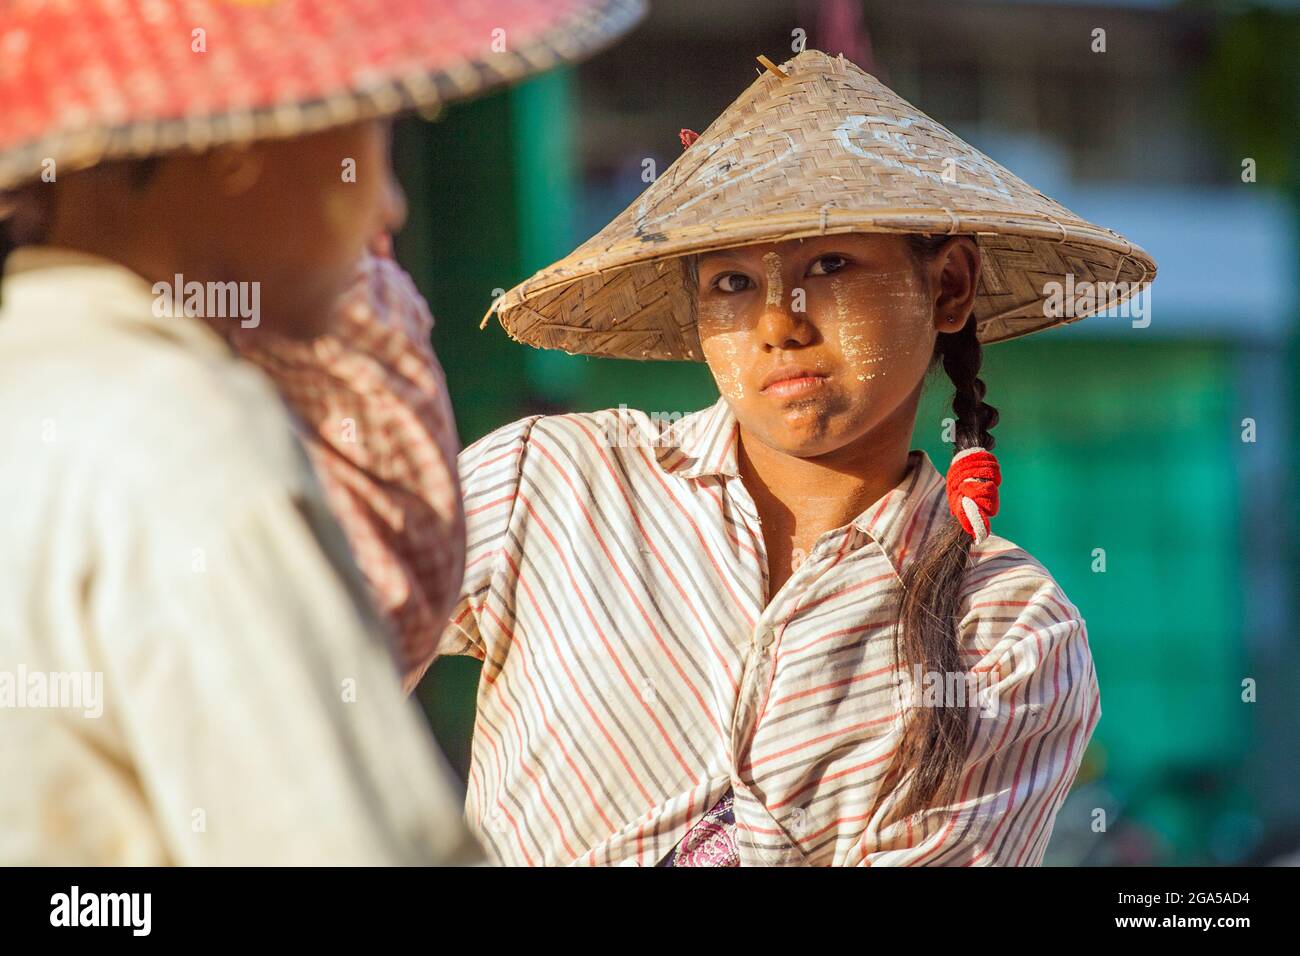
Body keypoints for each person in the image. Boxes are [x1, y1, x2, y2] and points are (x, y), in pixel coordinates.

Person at [443, 49, 1157, 866]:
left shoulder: (1009, 632)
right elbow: (297, 656)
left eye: (829, 266)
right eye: (731, 283)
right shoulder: (553, 481)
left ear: (950, 286)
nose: (777, 324)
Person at [0, 0, 645, 865]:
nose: (391, 197)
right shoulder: (189, 437)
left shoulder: (46, 381)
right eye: (369, 131)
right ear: (240, 139)